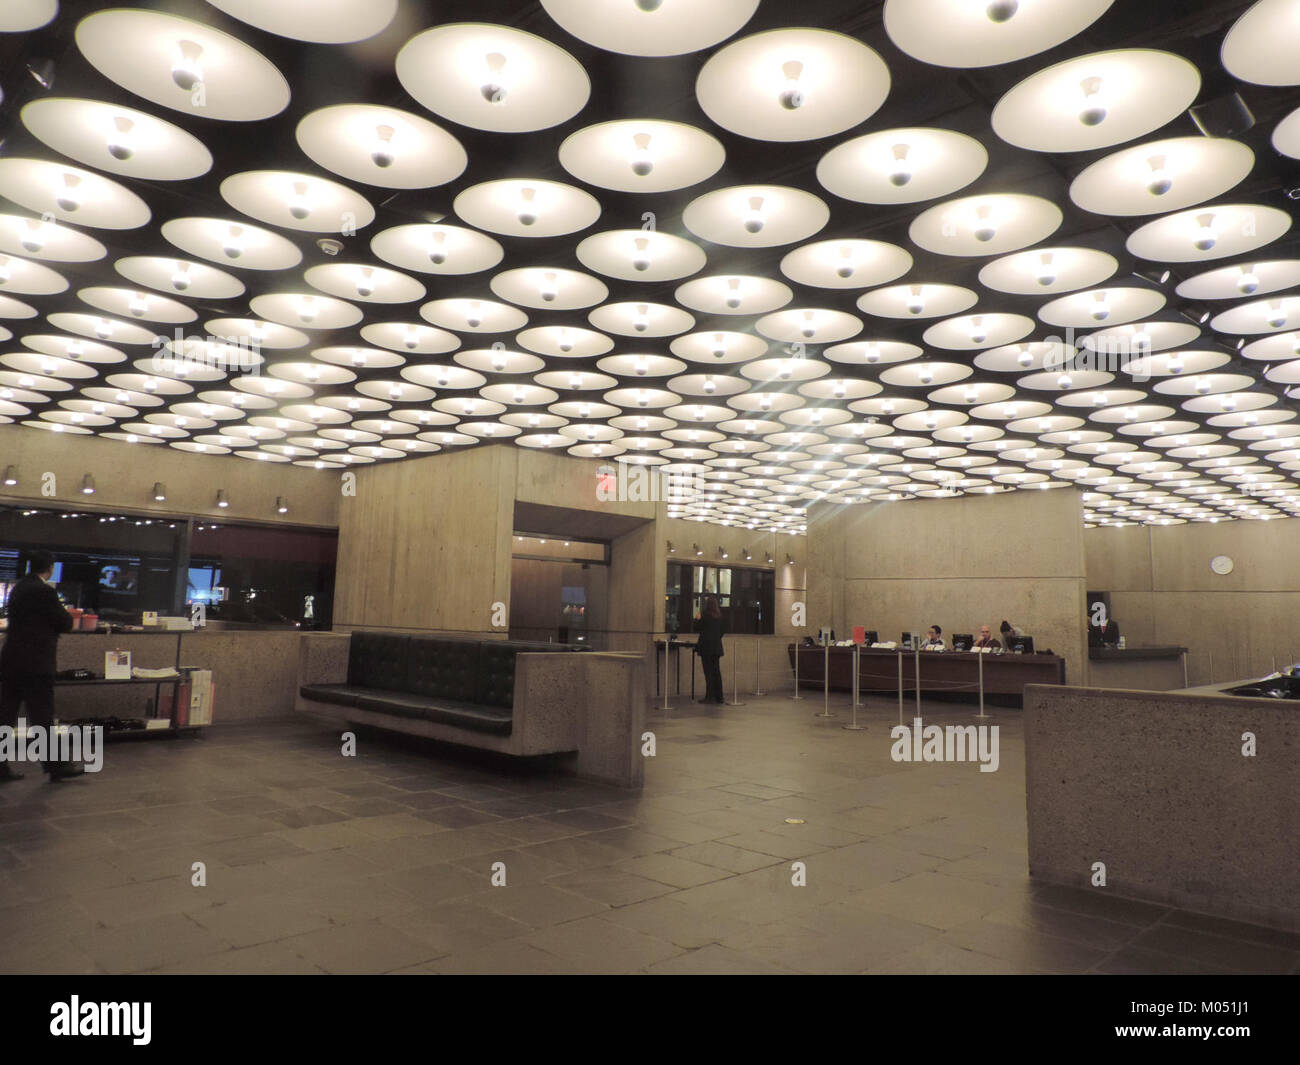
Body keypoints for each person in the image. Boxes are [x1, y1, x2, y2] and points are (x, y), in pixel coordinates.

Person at [0, 551, 81, 781]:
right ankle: (55, 767)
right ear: (50, 567)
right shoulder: (45, 591)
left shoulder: (18, 588)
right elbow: (65, 622)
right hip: (35, 663)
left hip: (11, 660)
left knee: (5, 715)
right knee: (42, 716)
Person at [695, 595, 725, 705]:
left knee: (708, 673)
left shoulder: (704, 615)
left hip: (706, 648)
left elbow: (697, 628)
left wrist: (697, 619)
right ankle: (719, 697)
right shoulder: (720, 617)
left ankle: (709, 697)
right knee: (716, 672)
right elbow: (722, 632)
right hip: (716, 647)